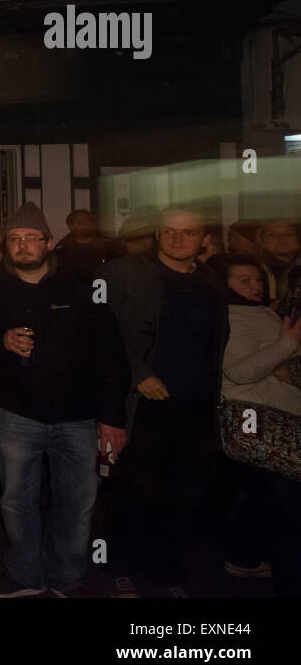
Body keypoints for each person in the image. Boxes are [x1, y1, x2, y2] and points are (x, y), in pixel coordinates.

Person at [0, 204, 129, 598]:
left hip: (78, 417)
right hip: (15, 415)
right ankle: (24, 576)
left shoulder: (82, 286)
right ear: (6, 245)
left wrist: (112, 418)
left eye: (31, 238)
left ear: (49, 243)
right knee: (17, 503)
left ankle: (67, 579)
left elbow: (112, 356)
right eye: (15, 239)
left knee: (77, 503)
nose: (23, 245)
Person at [100, 206, 229, 598]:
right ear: (156, 233)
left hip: (194, 406)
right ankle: (121, 568)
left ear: (203, 238)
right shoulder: (124, 272)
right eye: (168, 231)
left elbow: (214, 343)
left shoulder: (209, 279)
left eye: (188, 233)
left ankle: (168, 572)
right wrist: (139, 375)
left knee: (182, 494)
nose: (177, 240)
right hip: (142, 406)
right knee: (131, 491)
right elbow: (99, 335)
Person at [218, 255, 301, 594]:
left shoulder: (259, 312)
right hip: (256, 418)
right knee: (288, 503)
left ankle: (245, 557)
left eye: (258, 280)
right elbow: (238, 371)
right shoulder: (235, 316)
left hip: (275, 415)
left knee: (263, 495)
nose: (255, 286)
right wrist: (287, 345)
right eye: (244, 280)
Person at [53, 210, 122, 286]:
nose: (86, 225)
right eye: (80, 223)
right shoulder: (62, 249)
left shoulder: (107, 246)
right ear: (70, 226)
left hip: (103, 292)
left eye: (88, 221)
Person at [257, 219, 301, 312]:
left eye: (288, 234)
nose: (281, 238)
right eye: (272, 235)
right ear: (262, 241)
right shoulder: (257, 272)